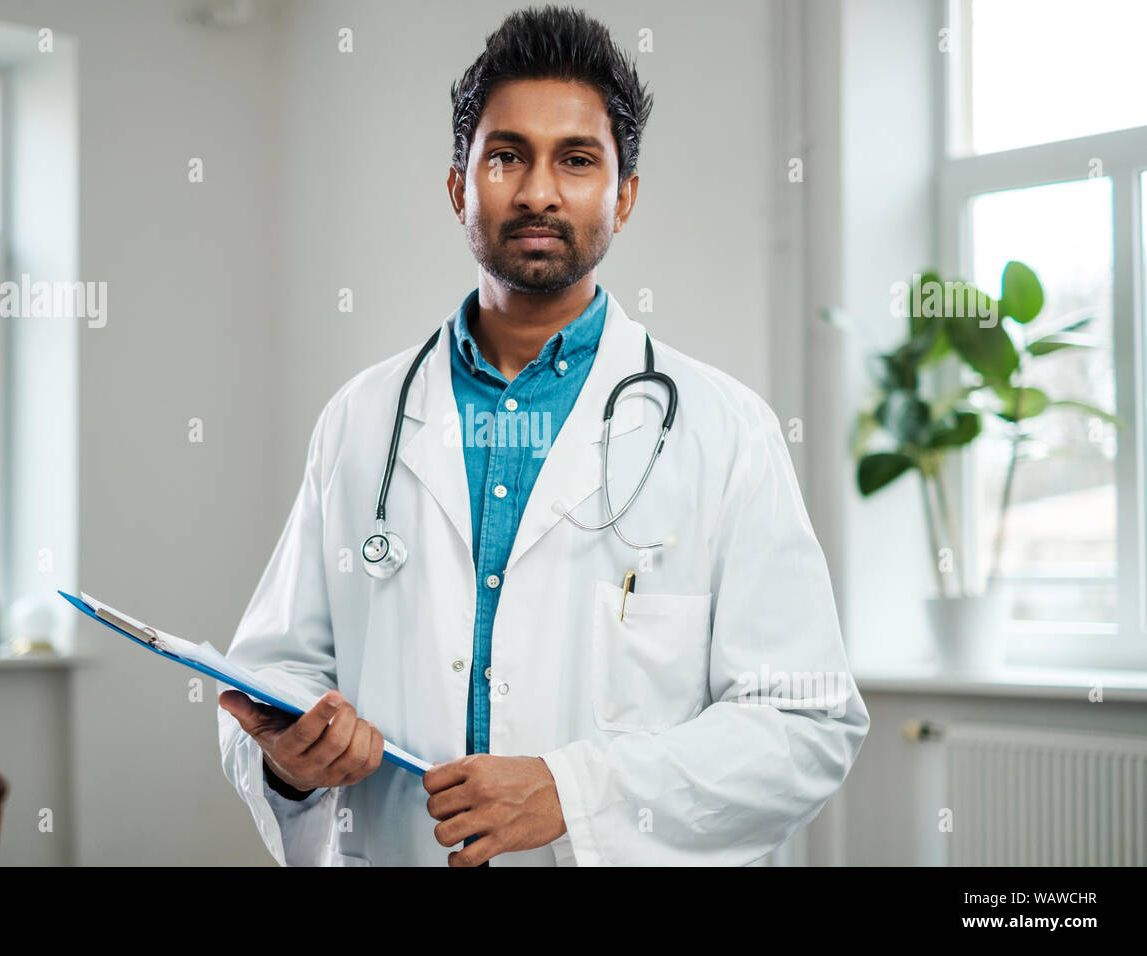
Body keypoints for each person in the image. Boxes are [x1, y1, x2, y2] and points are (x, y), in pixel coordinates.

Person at [217, 4, 868, 867]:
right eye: (505, 156)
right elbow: (280, 673)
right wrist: (292, 762)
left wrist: (577, 792)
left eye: (576, 159)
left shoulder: (728, 431)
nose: (537, 191)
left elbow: (805, 722)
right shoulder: (360, 420)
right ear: (459, 187)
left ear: (623, 196)